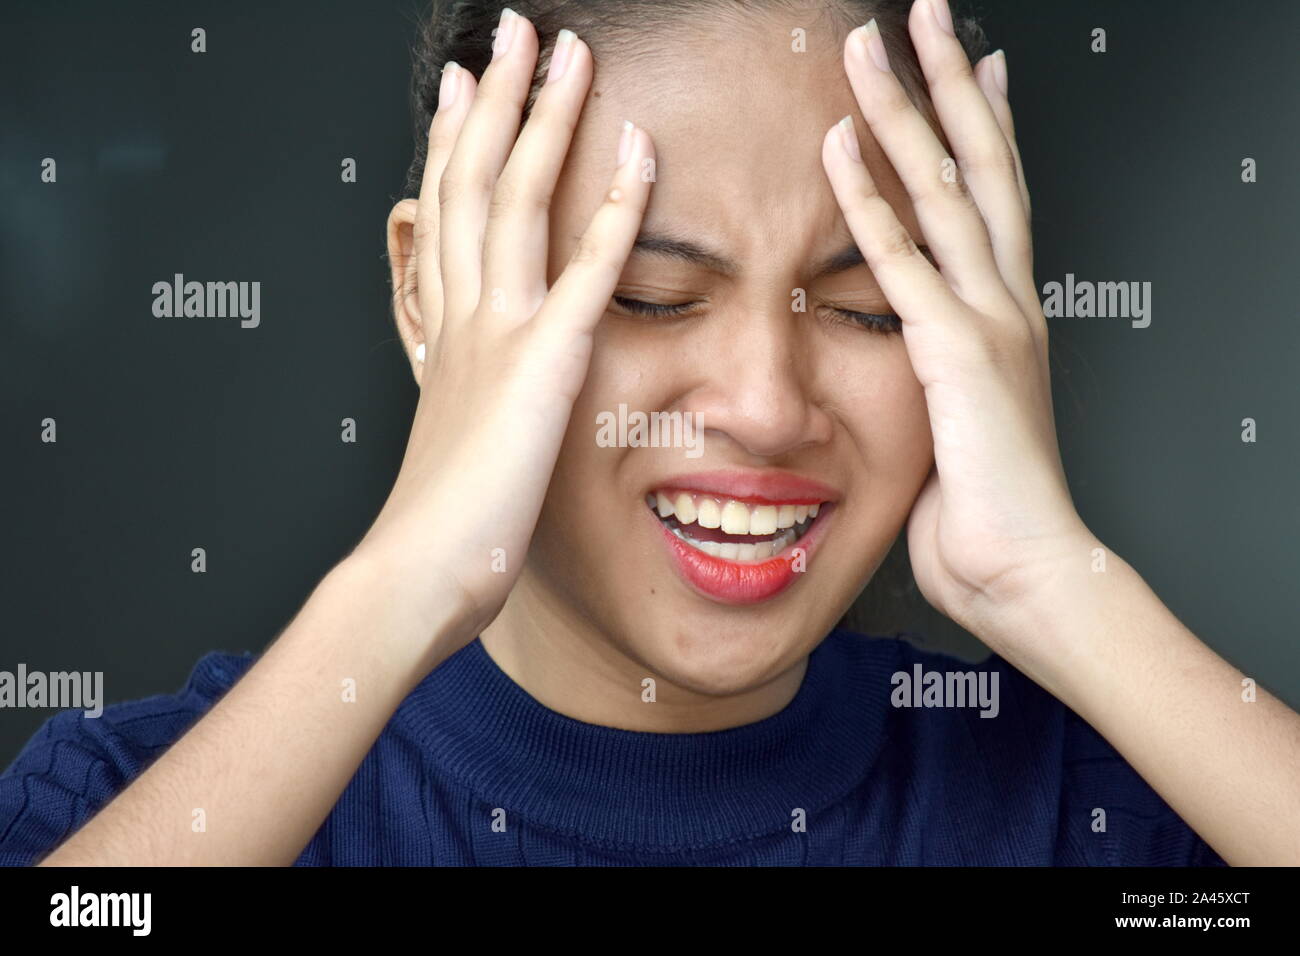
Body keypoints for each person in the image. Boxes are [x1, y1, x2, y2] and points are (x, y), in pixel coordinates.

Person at [3, 0, 1297, 866]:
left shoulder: (1106, 819)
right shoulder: (122, 806)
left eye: (863, 307)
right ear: (426, 289)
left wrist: (1061, 593)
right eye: (648, 295)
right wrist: (399, 588)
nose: (766, 404)